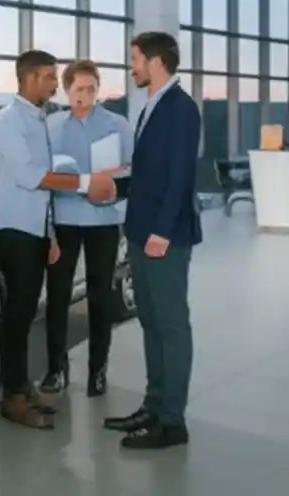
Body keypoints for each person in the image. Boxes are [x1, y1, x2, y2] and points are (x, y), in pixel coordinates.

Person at [0, 50, 116, 429]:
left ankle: (21, 387)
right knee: (17, 315)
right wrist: (84, 183)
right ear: (28, 78)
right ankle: (11, 397)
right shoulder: (9, 120)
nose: (52, 83)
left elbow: (41, 185)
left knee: (27, 313)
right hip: (14, 230)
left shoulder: (36, 119)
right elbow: (31, 175)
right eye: (48, 76)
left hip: (34, 230)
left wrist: (49, 234)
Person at [104, 31, 203, 450]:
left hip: (165, 236)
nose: (133, 67)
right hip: (143, 232)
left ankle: (172, 422)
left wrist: (161, 231)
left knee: (171, 326)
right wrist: (117, 183)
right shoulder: (151, 106)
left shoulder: (181, 109)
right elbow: (151, 173)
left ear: (156, 61)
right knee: (150, 322)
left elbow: (180, 176)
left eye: (137, 59)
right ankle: (154, 404)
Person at [40, 60, 133, 399]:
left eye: (91, 88)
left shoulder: (116, 125)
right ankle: (56, 369)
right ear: (67, 90)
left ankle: (97, 372)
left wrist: (112, 181)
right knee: (58, 297)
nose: (86, 95)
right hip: (63, 220)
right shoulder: (50, 127)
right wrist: (47, 230)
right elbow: (41, 179)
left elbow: (132, 171)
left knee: (100, 296)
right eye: (79, 89)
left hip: (104, 221)